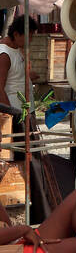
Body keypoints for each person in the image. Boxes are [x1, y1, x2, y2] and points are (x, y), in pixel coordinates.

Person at [0, 17, 29, 159]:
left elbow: (16, 74)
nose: (30, 41)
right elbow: (0, 88)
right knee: (17, 158)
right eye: (27, 37)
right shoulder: (4, 54)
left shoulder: (17, 48)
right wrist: (10, 117)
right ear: (17, 34)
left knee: (26, 155)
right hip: (15, 114)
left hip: (23, 112)